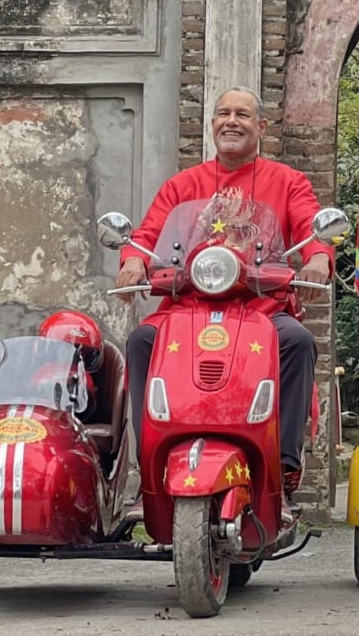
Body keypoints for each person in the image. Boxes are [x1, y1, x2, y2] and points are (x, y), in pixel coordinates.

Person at [115, 87, 332, 501]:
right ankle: (150, 462)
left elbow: (310, 227)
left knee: (297, 341)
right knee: (143, 339)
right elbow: (147, 234)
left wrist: (318, 258)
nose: (232, 121)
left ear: (261, 127)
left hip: (261, 309)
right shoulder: (183, 184)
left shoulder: (289, 182)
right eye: (223, 114)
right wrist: (133, 261)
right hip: (188, 308)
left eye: (243, 115)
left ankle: (284, 462)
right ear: (212, 124)